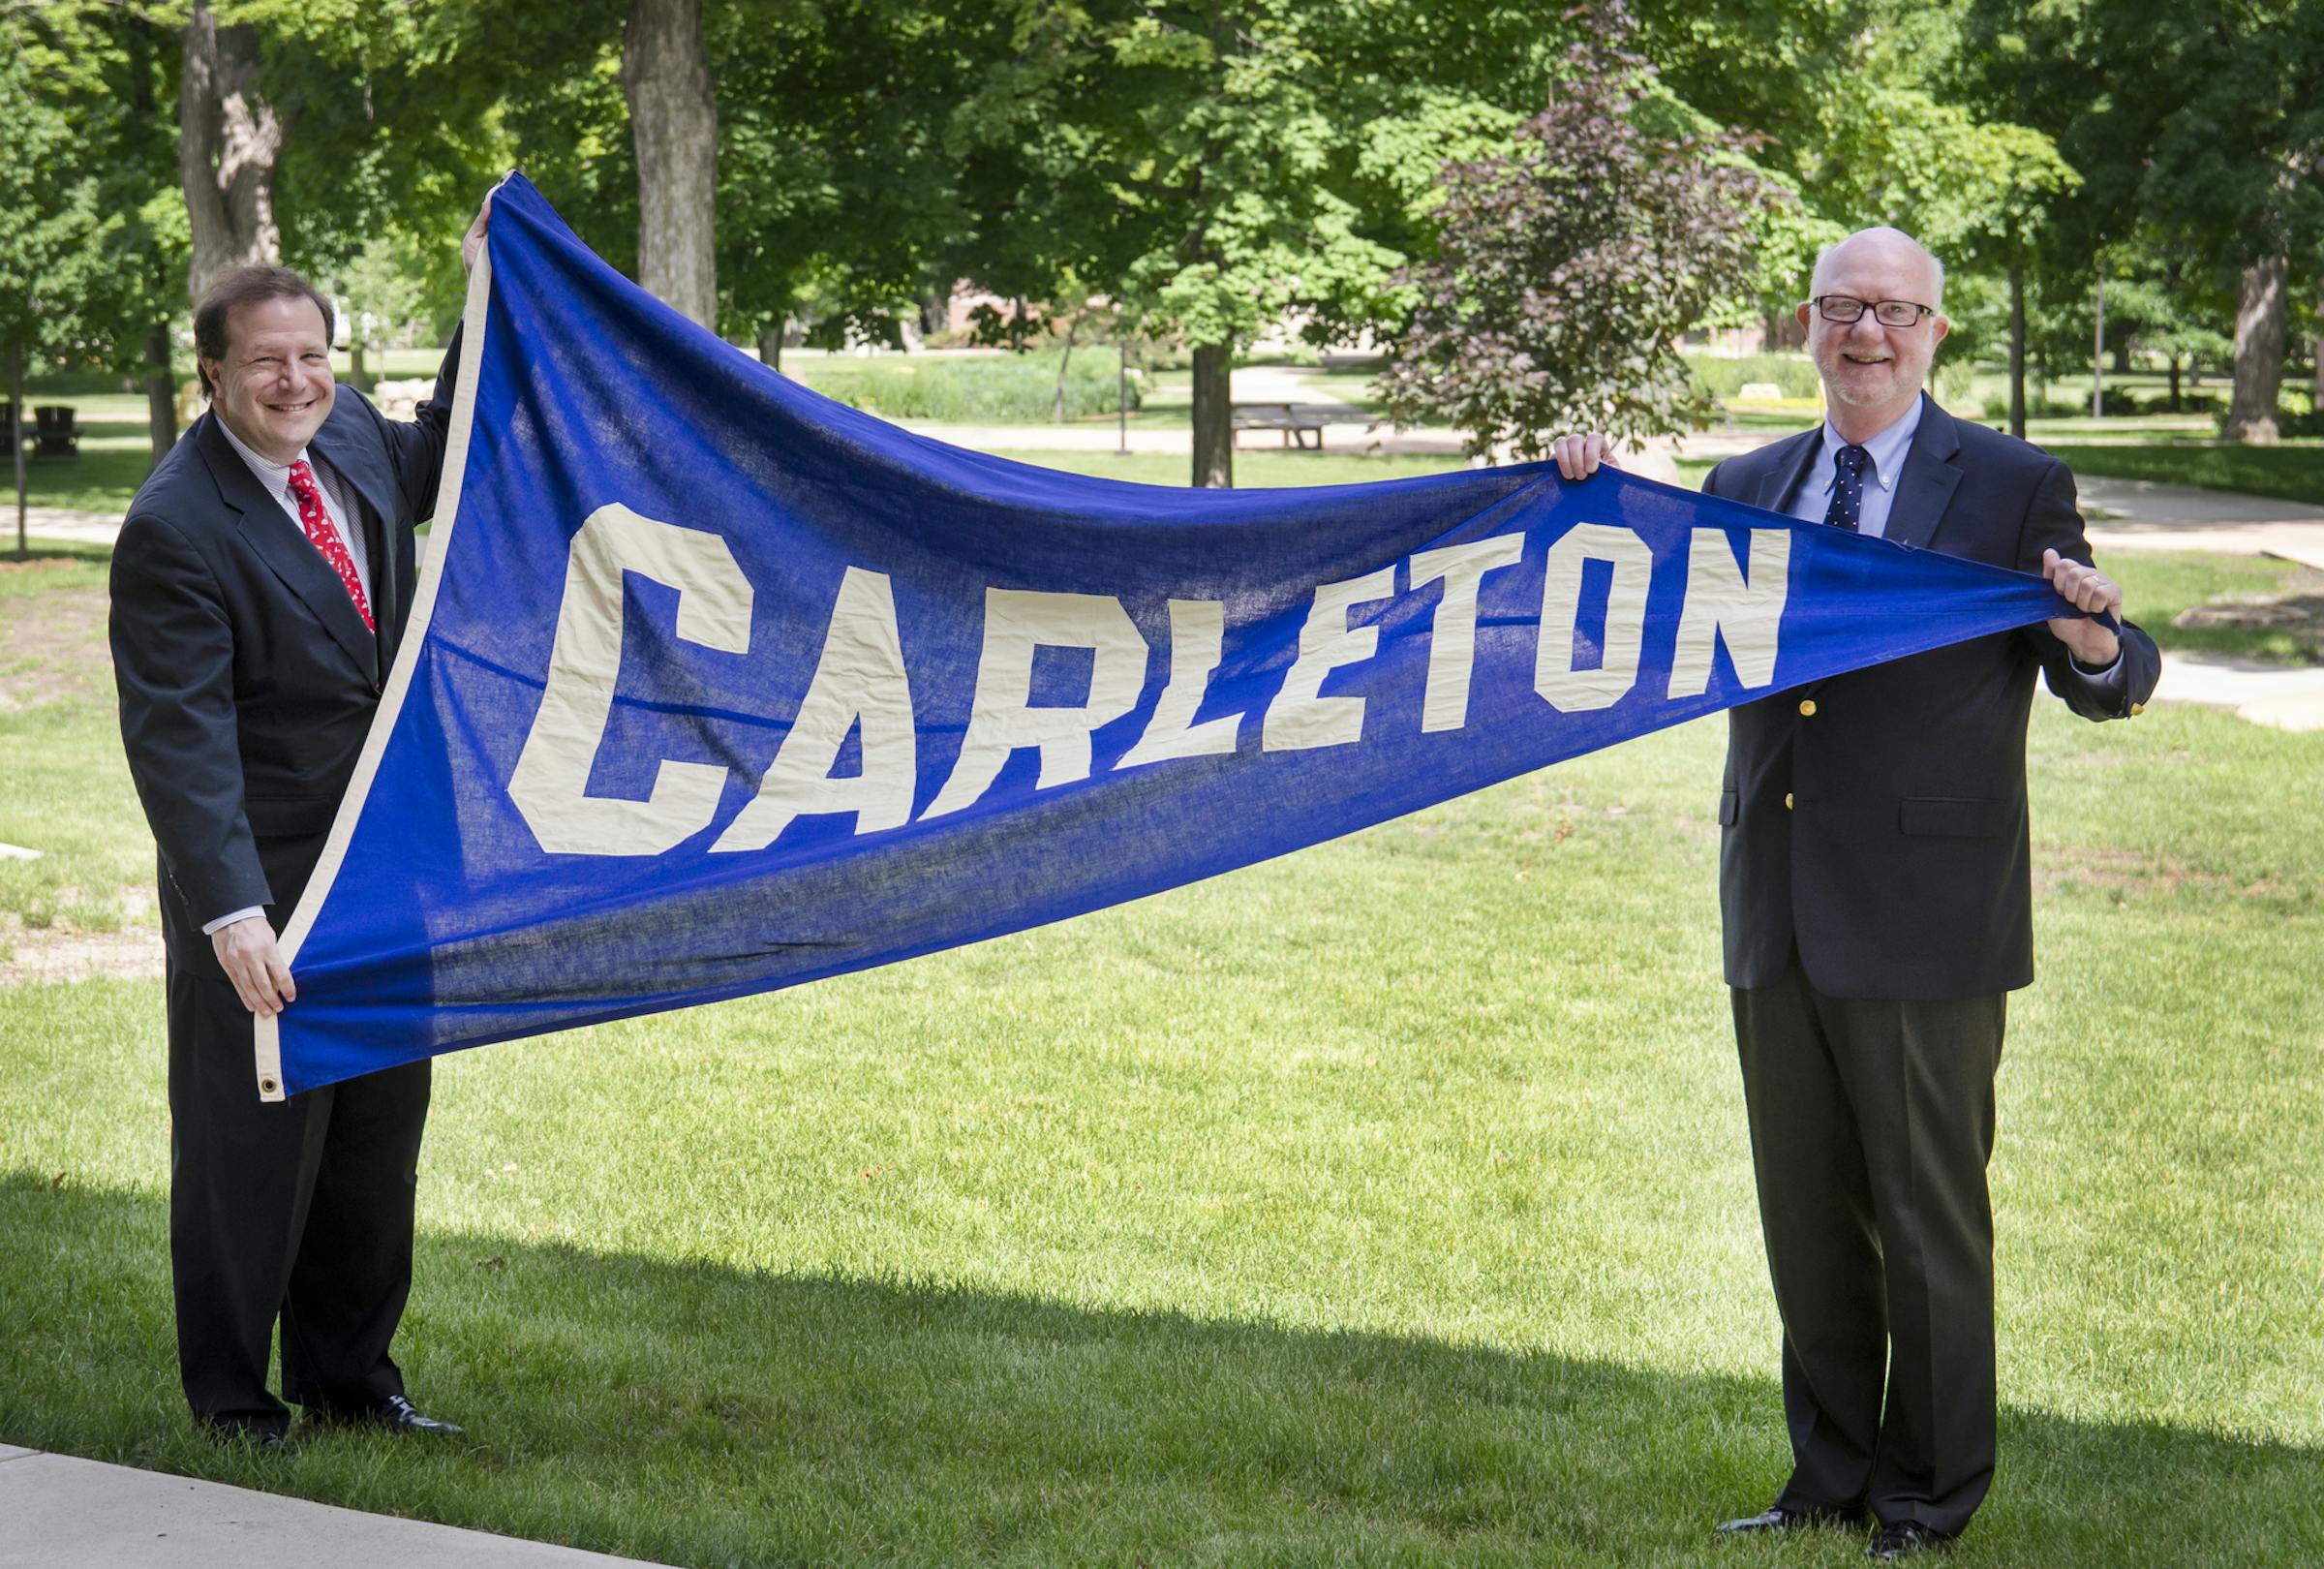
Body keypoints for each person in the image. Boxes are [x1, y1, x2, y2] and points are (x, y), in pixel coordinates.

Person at [1551, 227, 2160, 1560]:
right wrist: (1589, 502)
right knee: (1807, 1215)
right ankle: (1823, 1481)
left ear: (1937, 331)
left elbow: (2116, 668)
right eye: (1840, 309)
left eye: (1892, 311)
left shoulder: (2008, 483)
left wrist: (2091, 635)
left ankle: (1928, 1499)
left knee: (1926, 1227)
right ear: (1809, 325)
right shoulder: (1746, 481)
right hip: (1773, 902)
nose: (1864, 334)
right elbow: (1642, 628)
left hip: (1928, 915)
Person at [110, 192, 497, 1448]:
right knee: (252, 1157)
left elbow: (447, 445)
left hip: (388, 870)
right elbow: (182, 740)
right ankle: (233, 1402)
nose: (296, 380)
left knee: (375, 1151)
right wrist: (231, 915)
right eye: (267, 361)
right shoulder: (175, 529)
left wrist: (495, 283)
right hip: (265, 892)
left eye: (313, 357)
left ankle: (354, 1381)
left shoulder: (353, 443)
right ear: (213, 371)